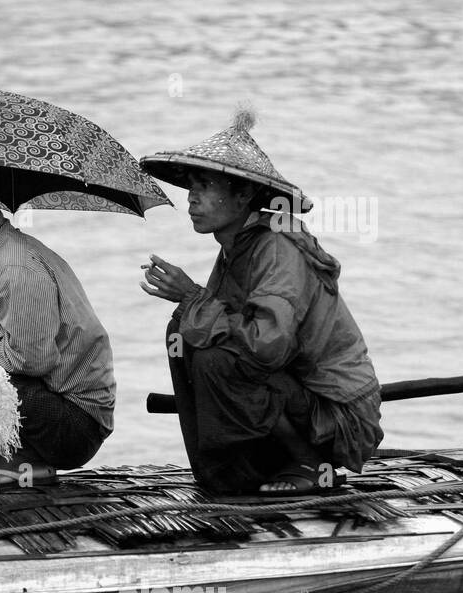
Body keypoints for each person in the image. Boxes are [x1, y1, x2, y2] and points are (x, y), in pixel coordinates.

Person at [138, 110, 383, 495]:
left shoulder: (277, 246)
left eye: (205, 186)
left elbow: (268, 346)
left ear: (243, 195)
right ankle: (235, 466)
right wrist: (191, 304)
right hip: (294, 394)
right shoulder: (236, 249)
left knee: (213, 352)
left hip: (336, 412)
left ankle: (309, 462)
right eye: (191, 188)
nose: (193, 199)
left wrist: (191, 296)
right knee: (183, 334)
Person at [0, 160, 114, 480]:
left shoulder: (16, 269)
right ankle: (22, 458)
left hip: (74, 424)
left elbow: (30, 362)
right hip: (36, 398)